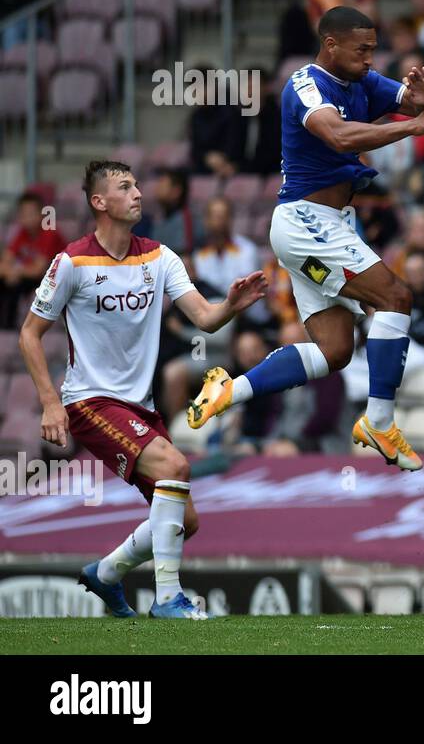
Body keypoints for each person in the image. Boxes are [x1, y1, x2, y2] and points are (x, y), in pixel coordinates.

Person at [185, 7, 424, 472]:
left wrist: (422, 100)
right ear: (332, 45)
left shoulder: (362, 81)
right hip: (306, 222)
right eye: (362, 49)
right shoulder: (305, 84)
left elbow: (412, 103)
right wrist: (412, 125)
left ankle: (230, 389)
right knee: (395, 296)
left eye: (373, 49)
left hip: (324, 225)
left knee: (335, 351)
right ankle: (380, 421)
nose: (371, 59)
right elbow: (339, 135)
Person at [18, 160, 267, 620]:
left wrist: (231, 304)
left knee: (184, 521)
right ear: (99, 202)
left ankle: (107, 574)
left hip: (140, 407)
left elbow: (204, 318)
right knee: (176, 463)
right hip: (89, 401)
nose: (137, 193)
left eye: (136, 185)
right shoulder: (72, 261)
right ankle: (168, 599)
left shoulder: (160, 256)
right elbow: (30, 333)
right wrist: (50, 403)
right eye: (124, 187)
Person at [1, 192, 64, 329]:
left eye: (31, 214)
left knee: (14, 286)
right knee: (6, 282)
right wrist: (11, 273)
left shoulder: (49, 233)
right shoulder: (22, 233)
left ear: (42, 214)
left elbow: (38, 270)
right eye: (23, 215)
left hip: (53, 279)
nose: (27, 219)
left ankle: (9, 329)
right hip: (26, 276)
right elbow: (4, 262)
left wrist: (16, 272)